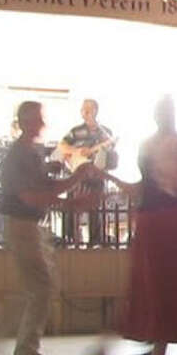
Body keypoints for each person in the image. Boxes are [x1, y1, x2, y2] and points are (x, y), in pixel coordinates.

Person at [0, 100, 92, 355]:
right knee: (40, 286)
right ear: (26, 121)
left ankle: (12, 338)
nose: (43, 123)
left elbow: (44, 189)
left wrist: (74, 184)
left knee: (38, 285)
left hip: (29, 224)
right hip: (22, 224)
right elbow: (31, 196)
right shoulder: (21, 155)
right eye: (38, 118)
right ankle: (23, 345)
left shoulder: (30, 153)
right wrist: (72, 194)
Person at [115, 97, 177, 355]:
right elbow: (173, 183)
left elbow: (144, 186)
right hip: (169, 220)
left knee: (153, 285)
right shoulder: (174, 143)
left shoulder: (145, 145)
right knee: (169, 286)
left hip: (148, 220)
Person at [56, 99, 117, 245]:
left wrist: (99, 152)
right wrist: (77, 151)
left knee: (96, 207)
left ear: (96, 110)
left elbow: (110, 151)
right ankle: (70, 239)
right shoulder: (76, 131)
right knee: (72, 206)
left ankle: (95, 241)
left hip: (96, 175)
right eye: (83, 109)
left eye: (88, 109)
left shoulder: (106, 132)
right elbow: (62, 145)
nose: (85, 112)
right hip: (78, 174)